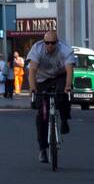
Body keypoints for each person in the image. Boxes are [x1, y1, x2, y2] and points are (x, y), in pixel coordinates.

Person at [26, 29, 74, 163]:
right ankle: (42, 149)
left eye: (53, 43)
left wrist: (68, 86)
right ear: (44, 42)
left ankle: (64, 119)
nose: (50, 46)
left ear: (57, 43)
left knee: (64, 95)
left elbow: (70, 70)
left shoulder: (65, 50)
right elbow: (32, 71)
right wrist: (33, 88)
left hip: (60, 76)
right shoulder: (37, 49)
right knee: (42, 115)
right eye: (47, 43)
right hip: (42, 79)